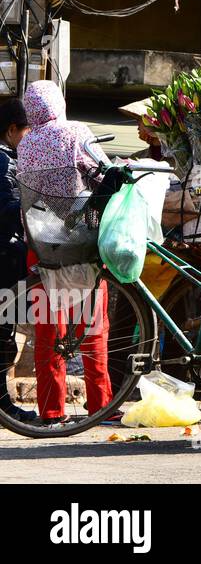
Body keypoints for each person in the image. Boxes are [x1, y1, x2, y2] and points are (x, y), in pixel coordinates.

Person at [17, 81, 114, 424]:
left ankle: (51, 410)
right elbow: (103, 174)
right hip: (79, 241)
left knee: (48, 333)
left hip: (40, 245)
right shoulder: (74, 132)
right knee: (92, 327)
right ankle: (100, 406)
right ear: (60, 102)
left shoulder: (25, 143)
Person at [0, 98, 35, 422]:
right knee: (2, 334)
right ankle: (4, 406)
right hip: (3, 259)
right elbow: (8, 209)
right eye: (27, 131)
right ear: (12, 130)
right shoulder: (4, 162)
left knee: (4, 333)